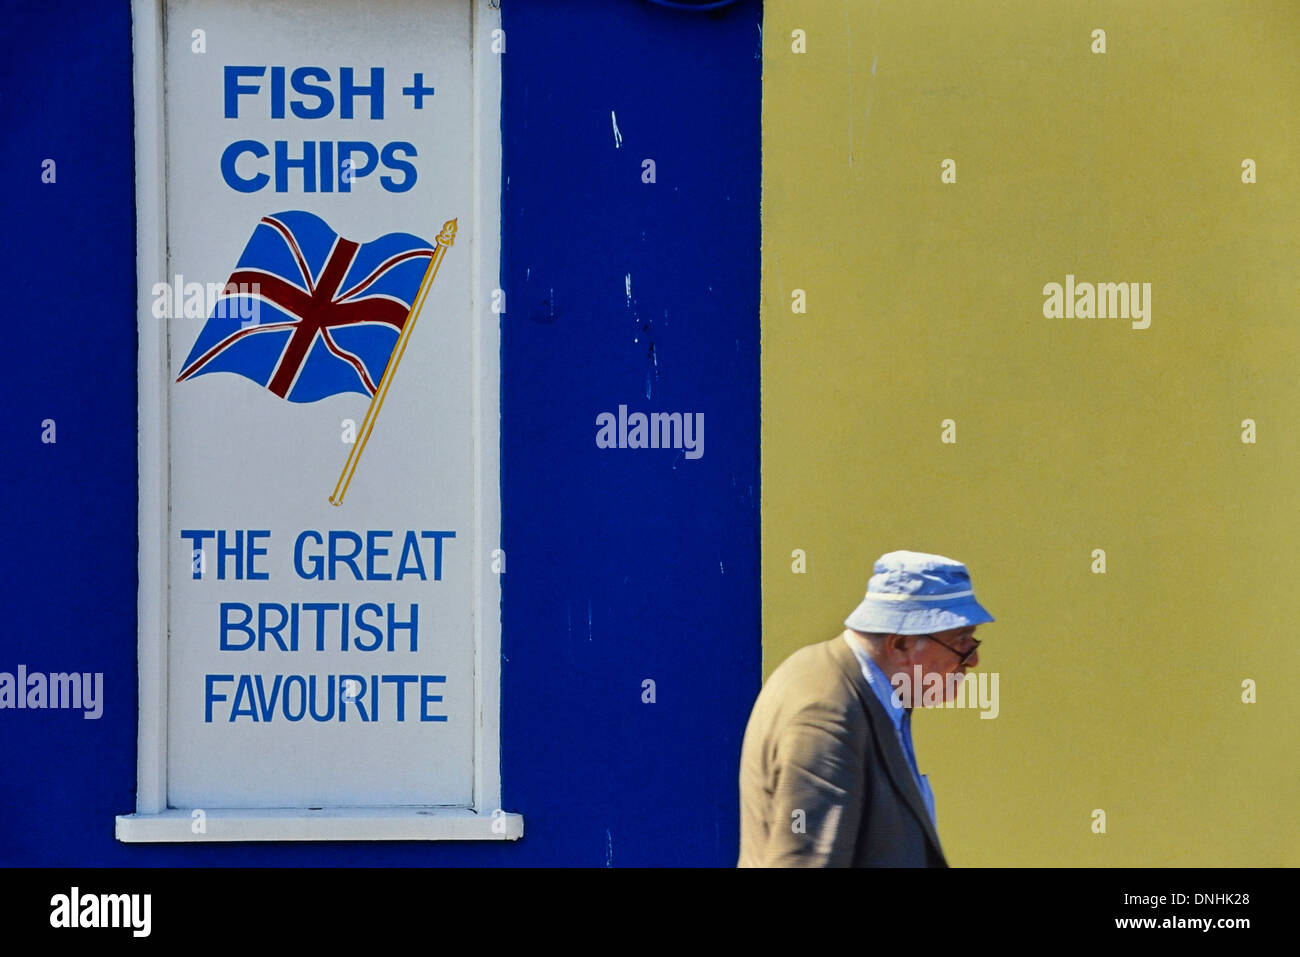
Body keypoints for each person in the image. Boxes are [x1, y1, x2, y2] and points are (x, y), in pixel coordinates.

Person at [737, 549, 994, 867]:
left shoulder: (876, 694)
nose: (974, 659)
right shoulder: (827, 712)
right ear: (900, 644)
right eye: (961, 641)